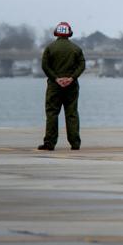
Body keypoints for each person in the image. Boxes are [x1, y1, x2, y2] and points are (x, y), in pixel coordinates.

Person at [38, 21, 85, 151]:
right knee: (72, 113)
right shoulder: (76, 49)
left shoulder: (50, 48)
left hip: (54, 86)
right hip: (72, 86)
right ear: (69, 33)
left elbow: (45, 66)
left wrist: (56, 78)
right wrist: (72, 78)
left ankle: (50, 143)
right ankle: (75, 143)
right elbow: (82, 65)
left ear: (56, 33)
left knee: (52, 113)